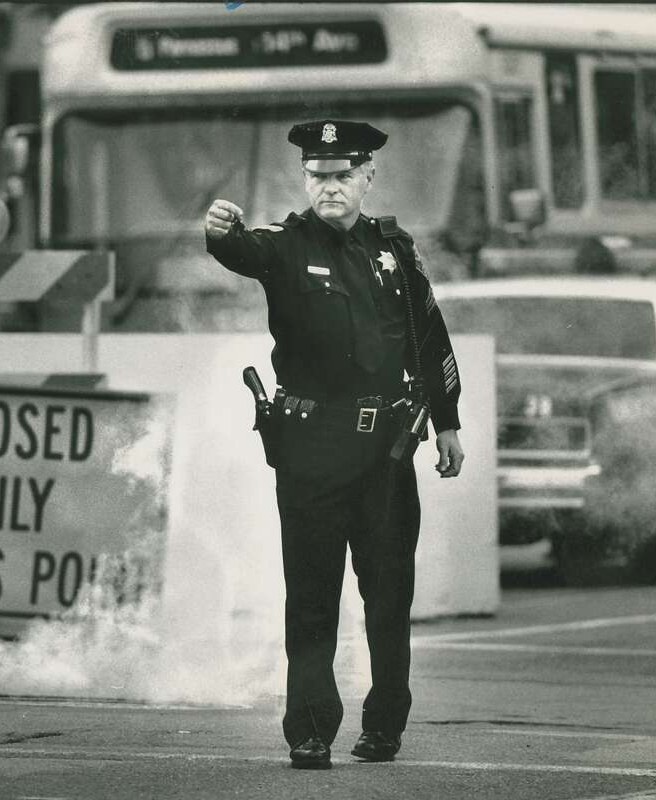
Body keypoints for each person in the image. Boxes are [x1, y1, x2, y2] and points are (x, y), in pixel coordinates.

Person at [203, 120, 464, 770]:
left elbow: (429, 337)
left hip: (386, 455)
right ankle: (311, 729)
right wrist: (218, 233)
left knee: (388, 595)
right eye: (318, 175)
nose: (330, 186)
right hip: (313, 451)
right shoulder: (285, 248)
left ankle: (385, 723)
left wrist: (448, 421)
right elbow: (241, 252)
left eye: (343, 174)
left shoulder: (393, 251)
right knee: (313, 597)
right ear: (306, 180)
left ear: (367, 177)